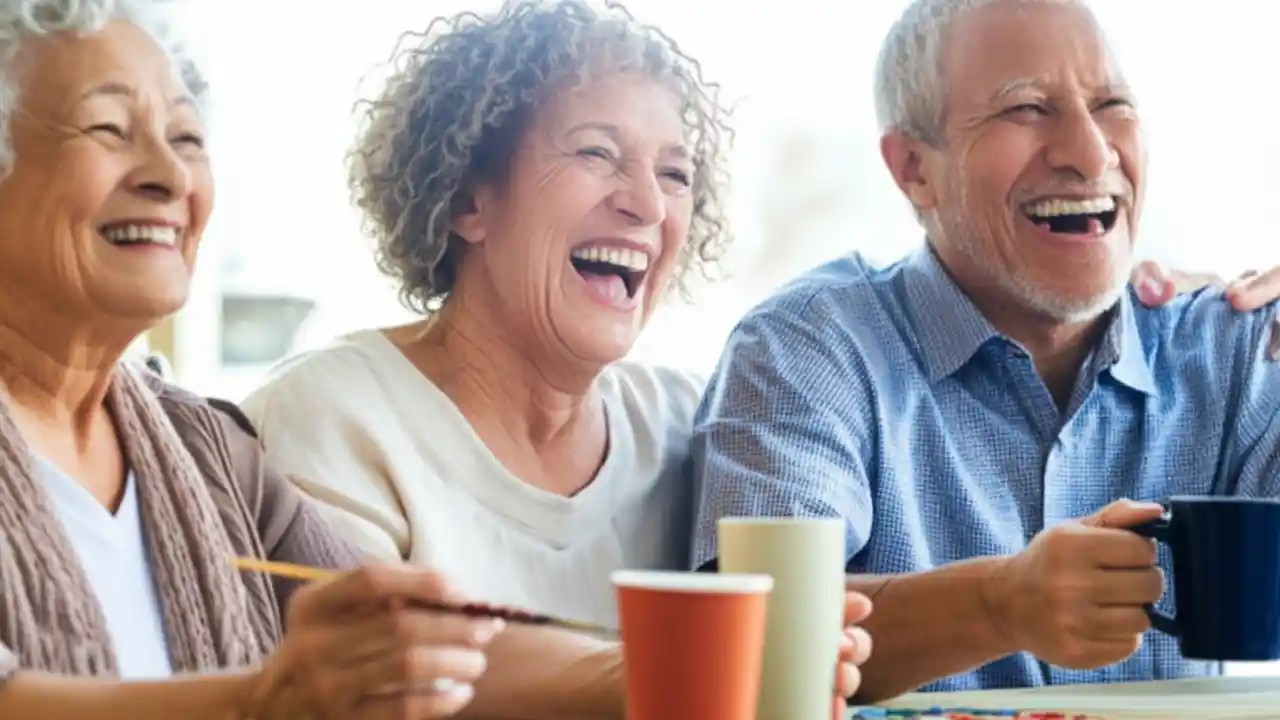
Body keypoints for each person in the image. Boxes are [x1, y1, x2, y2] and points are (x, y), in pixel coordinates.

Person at [0, 2, 639, 718]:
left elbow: (397, 645)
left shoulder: (210, 452)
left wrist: (664, 672)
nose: (170, 176)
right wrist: (260, 702)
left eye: (187, 137)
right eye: (108, 129)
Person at [239, 0, 870, 709]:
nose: (649, 207)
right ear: (468, 200)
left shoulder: (692, 421)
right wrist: (692, 672)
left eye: (675, 174)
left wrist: (816, 659)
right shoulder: (332, 413)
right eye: (597, 153)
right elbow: (379, 668)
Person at [691, 0, 1280, 703]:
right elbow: (747, 641)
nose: (1091, 153)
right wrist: (1000, 603)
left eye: (1112, 103)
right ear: (914, 168)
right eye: (1026, 108)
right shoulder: (809, 348)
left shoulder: (1237, 351)